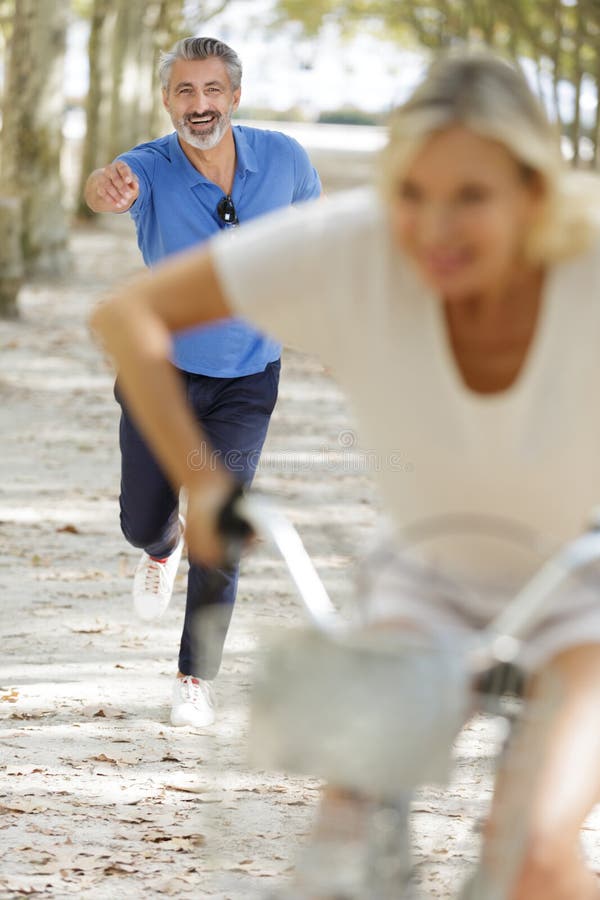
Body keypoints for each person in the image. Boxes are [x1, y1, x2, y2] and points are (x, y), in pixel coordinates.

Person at [90, 49, 600, 900]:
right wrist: (205, 482)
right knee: (344, 848)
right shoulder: (358, 245)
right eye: (413, 193)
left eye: (472, 197)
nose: (435, 227)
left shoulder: (585, 261)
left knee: (537, 847)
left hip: (576, 587)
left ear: (534, 191)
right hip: (420, 585)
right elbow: (128, 313)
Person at [84, 36, 321, 728]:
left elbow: (310, 228)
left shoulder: (284, 159)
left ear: (235, 96)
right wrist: (103, 186)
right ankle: (160, 547)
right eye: (184, 92)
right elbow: (107, 188)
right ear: (166, 101)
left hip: (248, 376)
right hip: (159, 371)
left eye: (212, 90)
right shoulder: (148, 168)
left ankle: (194, 679)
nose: (199, 104)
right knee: (141, 517)